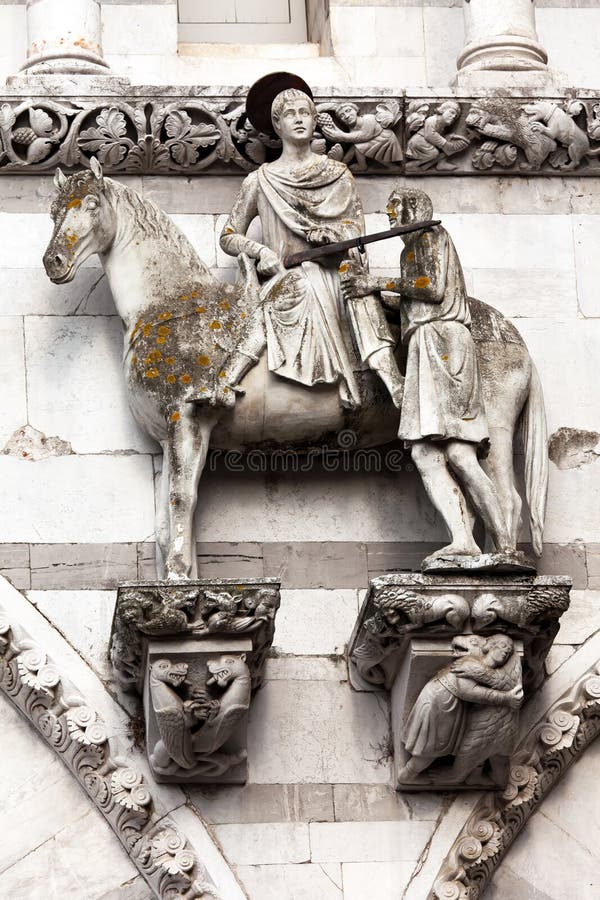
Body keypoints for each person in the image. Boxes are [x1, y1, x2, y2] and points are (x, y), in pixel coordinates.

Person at [192, 79, 404, 411]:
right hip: (288, 275)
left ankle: (391, 378)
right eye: (290, 114)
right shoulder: (261, 180)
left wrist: (332, 237)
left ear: (315, 119)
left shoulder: (338, 173)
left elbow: (355, 232)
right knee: (299, 286)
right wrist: (261, 251)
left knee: (352, 288)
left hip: (335, 268)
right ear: (277, 125)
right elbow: (229, 235)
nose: (300, 118)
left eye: (306, 112)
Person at [340, 186, 513, 562]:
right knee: (424, 452)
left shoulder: (428, 236)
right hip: (426, 341)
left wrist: (375, 283)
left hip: (443, 342)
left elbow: (431, 288)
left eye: (393, 213)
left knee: (460, 453)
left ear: (410, 209)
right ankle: (464, 540)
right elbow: (416, 298)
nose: (389, 220)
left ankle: (506, 546)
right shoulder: (414, 248)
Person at [397, 634, 522, 783]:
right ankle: (407, 775)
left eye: (508, 650)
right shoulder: (471, 665)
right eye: (502, 646)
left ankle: (474, 773)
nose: (506, 650)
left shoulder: (483, 667)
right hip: (441, 704)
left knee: (444, 745)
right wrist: (506, 698)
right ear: (490, 646)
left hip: (448, 704)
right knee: (431, 748)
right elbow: (468, 692)